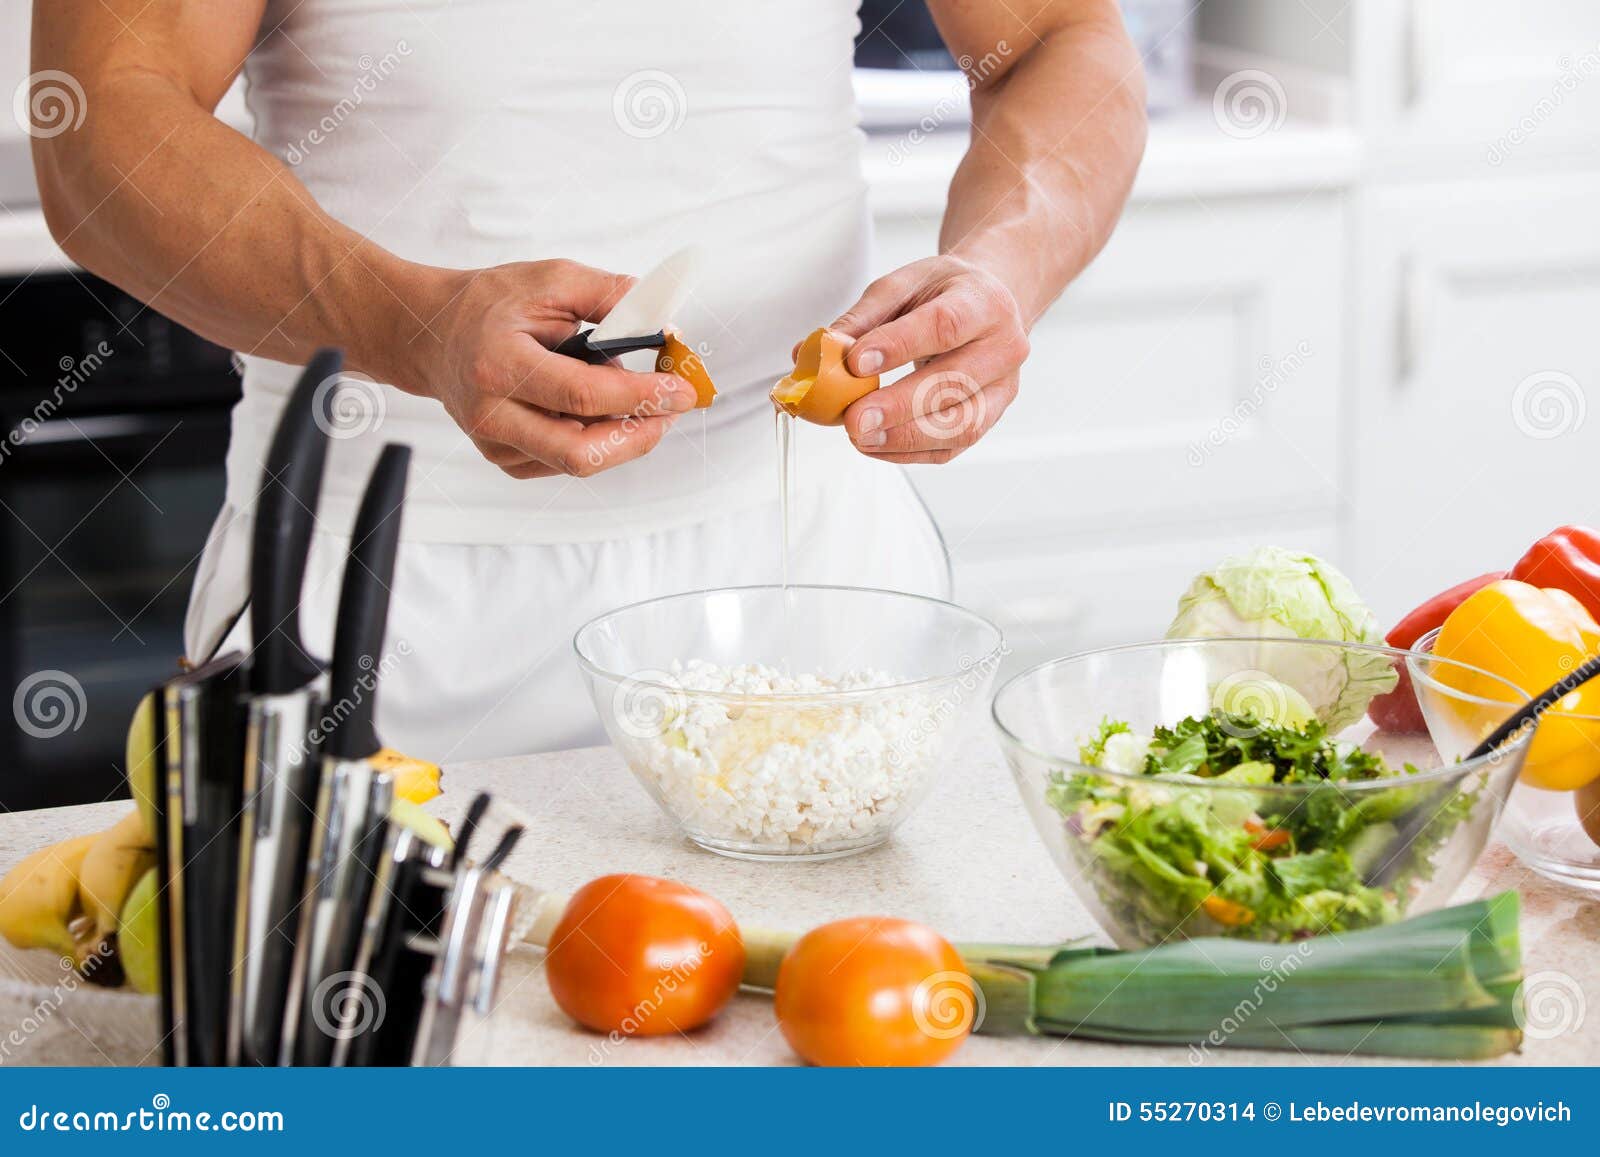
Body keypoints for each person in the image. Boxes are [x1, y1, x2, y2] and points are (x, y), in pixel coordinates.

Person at [31, 1, 1146, 759]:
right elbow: (100, 120)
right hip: (387, 593)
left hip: (812, 569)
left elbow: (1054, 36)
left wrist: (1001, 265)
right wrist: (411, 324)